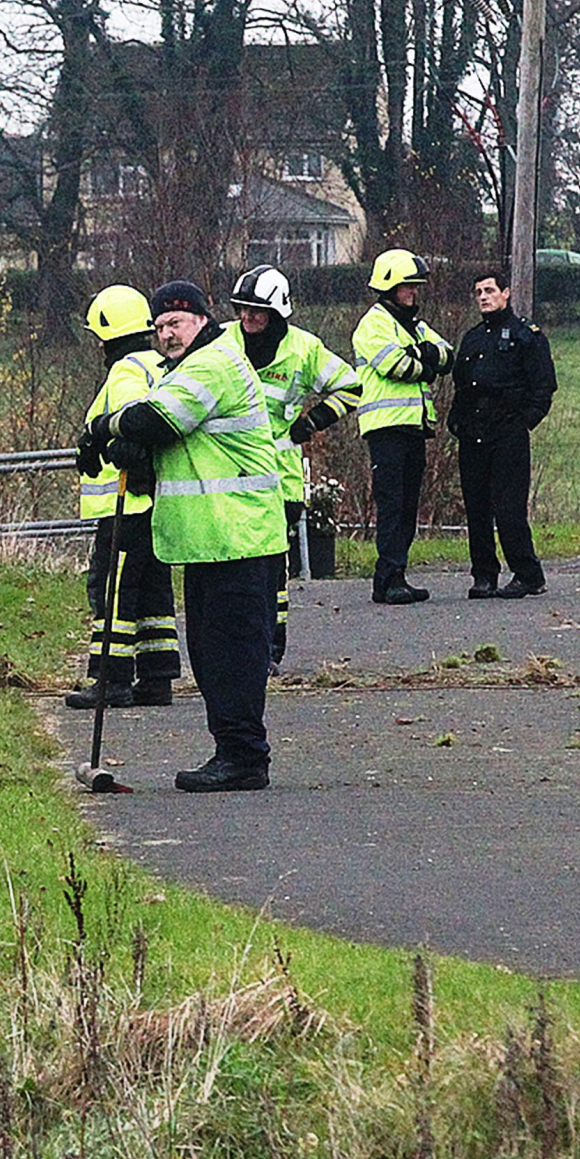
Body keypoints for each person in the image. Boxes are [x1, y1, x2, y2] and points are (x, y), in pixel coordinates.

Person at [81, 281, 288, 793]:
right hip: (209, 539)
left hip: (237, 536)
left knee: (233, 655)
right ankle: (233, 751)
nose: (166, 334)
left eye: (176, 323)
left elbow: (156, 419)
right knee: (213, 653)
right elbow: (164, 444)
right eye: (159, 326)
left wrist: (101, 430)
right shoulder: (183, 368)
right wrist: (121, 449)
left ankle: (243, 757)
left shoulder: (213, 362)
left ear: (202, 319)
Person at [221, 265, 360, 668]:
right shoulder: (222, 342)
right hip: (226, 476)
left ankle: (269, 647)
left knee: (270, 570)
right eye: (242, 311)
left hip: (279, 479)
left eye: (257, 312)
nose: (248, 319)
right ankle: (238, 645)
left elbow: (350, 386)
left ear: (278, 313)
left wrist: (313, 422)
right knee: (232, 568)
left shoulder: (303, 348)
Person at [68, 285, 181, 709]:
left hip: (125, 507)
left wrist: (112, 446)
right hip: (156, 506)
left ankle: (110, 679)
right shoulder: (163, 364)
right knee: (153, 591)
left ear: (107, 333)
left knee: (112, 590)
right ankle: (157, 677)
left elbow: (134, 422)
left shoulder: (126, 372)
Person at [351, 249, 454, 605]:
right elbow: (397, 365)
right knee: (392, 505)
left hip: (413, 426)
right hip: (385, 428)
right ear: (391, 286)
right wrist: (426, 362)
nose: (414, 292)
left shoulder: (414, 325)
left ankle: (398, 575)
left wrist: (426, 356)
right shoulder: (374, 324)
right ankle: (387, 578)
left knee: (408, 505)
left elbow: (447, 355)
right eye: (408, 286)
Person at [450, 269, 556, 598]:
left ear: (506, 293)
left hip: (508, 431)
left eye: (490, 290)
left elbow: (543, 385)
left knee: (509, 508)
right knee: (477, 507)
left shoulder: (526, 335)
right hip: (474, 433)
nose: (483, 296)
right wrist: (457, 421)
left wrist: (525, 421)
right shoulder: (473, 339)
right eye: (478, 291)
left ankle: (527, 574)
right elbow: (462, 385)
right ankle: (484, 575)